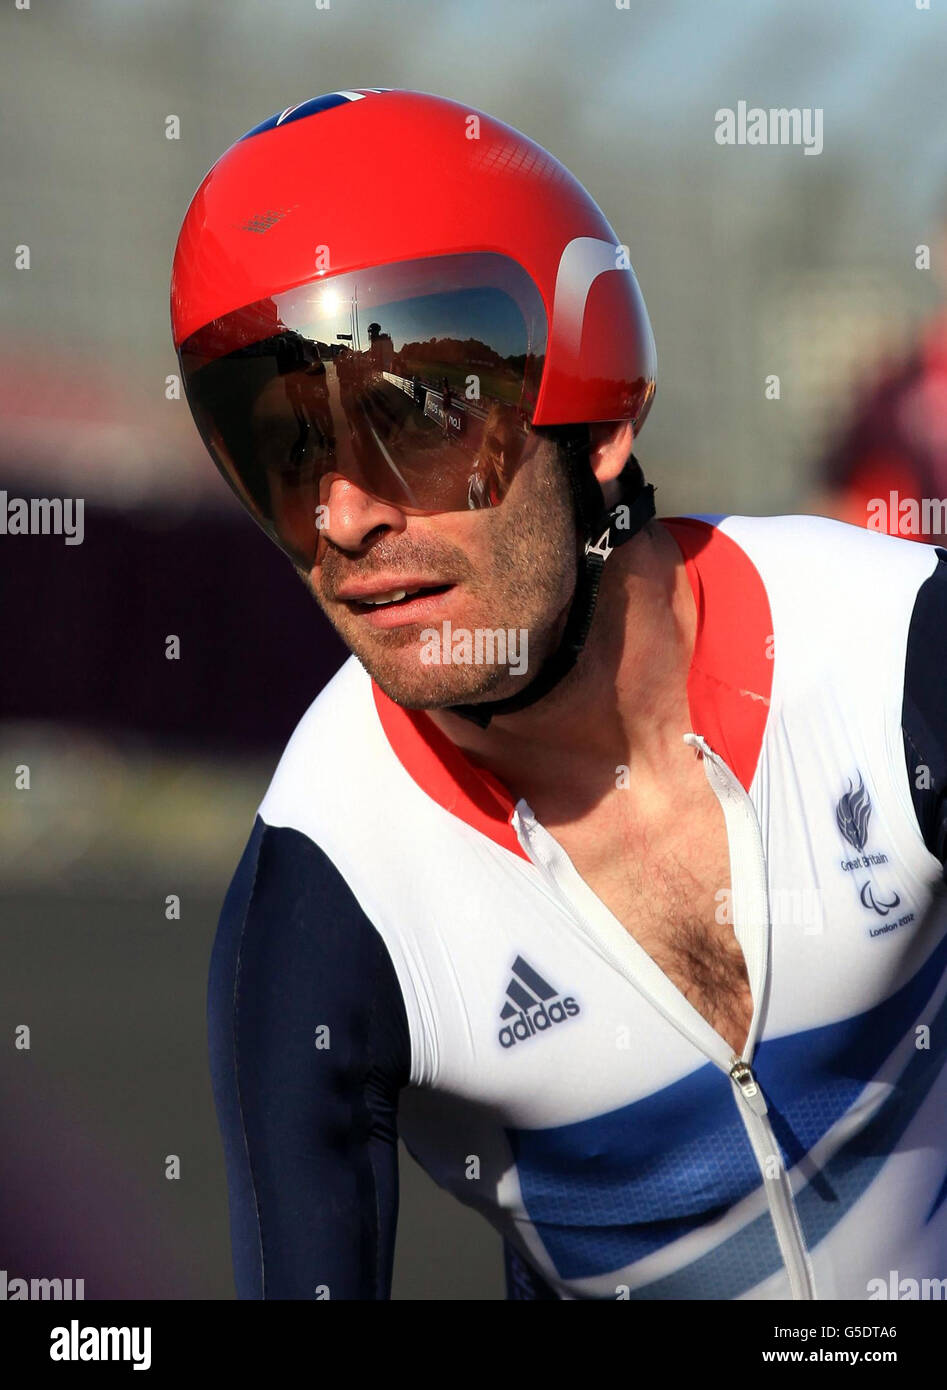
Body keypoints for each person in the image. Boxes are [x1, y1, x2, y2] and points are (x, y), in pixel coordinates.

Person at [171, 89, 947, 1301]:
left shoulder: (897, 648)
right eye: (287, 450)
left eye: (413, 421)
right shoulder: (325, 888)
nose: (343, 516)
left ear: (593, 421)